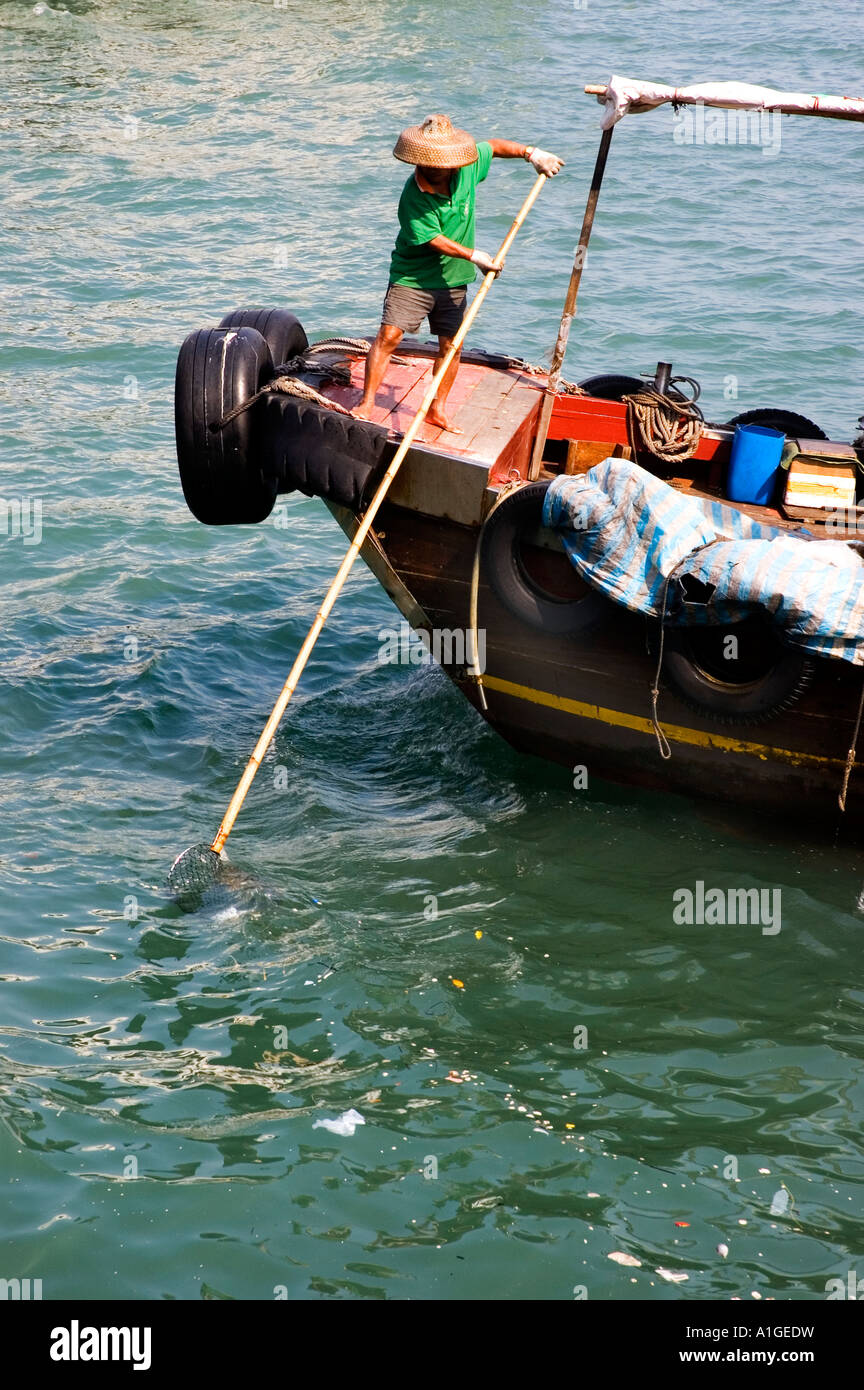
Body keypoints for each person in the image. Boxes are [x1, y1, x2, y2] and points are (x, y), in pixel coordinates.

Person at [353, 114, 564, 432]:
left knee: (451, 346)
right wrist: (475, 255)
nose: (437, 167)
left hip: (454, 280)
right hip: (413, 278)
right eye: (430, 163)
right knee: (389, 336)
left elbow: (492, 146)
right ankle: (367, 402)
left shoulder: (465, 170)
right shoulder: (413, 195)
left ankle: (436, 409)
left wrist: (531, 154)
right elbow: (433, 239)